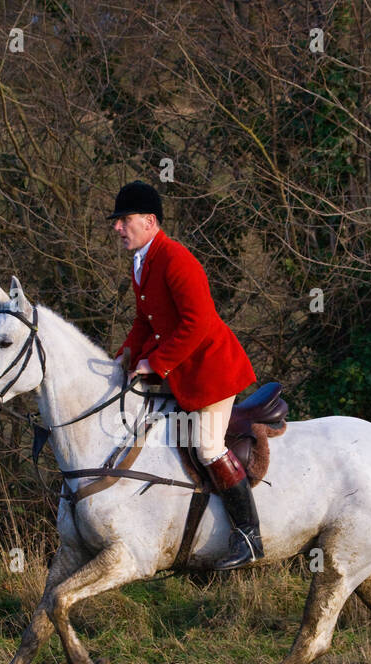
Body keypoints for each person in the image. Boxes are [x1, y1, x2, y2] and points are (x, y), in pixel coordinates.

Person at [107, 180, 263, 570]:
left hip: (212, 371)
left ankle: (249, 536)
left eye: (124, 220)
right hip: (184, 372)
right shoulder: (142, 263)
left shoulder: (176, 259)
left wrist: (155, 364)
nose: (117, 228)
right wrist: (125, 357)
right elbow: (145, 322)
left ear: (149, 220)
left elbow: (198, 323)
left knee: (208, 446)